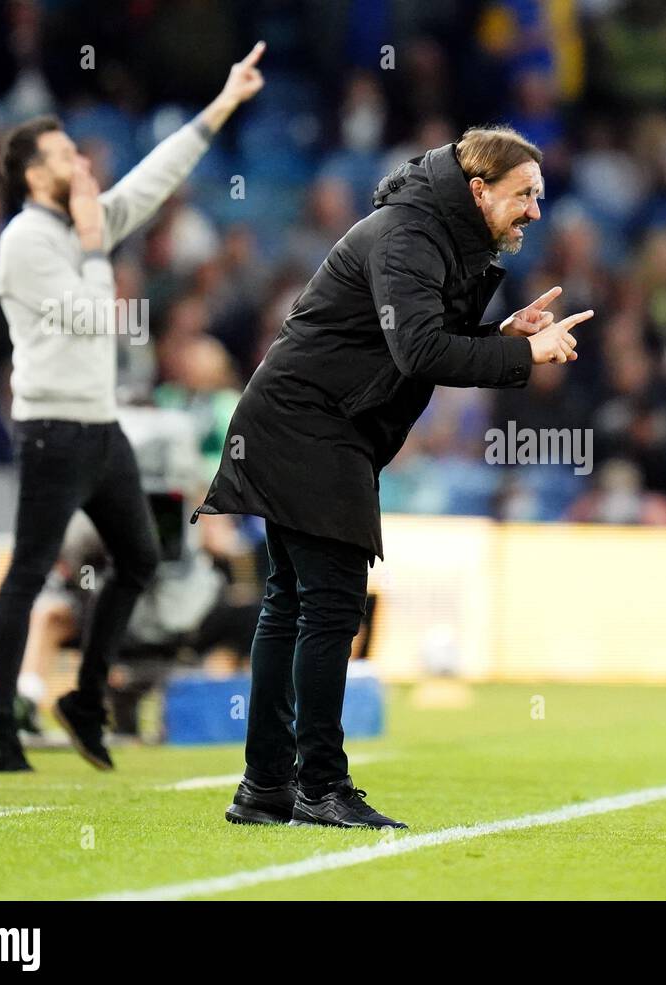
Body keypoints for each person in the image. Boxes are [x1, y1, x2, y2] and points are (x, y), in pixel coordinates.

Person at [195, 126, 593, 829]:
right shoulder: (410, 236)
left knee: (291, 603)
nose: (536, 211)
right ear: (478, 191)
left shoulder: (429, 230)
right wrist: (524, 354)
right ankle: (318, 785)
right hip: (307, 427)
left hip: (300, 422)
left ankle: (265, 787)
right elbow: (419, 351)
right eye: (524, 195)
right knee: (329, 606)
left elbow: (415, 340)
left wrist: (502, 339)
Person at [0, 43, 267, 773]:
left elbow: (152, 180)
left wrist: (223, 104)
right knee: (29, 570)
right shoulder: (25, 240)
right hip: (51, 426)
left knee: (141, 555)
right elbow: (93, 315)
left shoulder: (79, 225)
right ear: (32, 173)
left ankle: (83, 697)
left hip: (98, 425)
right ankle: (1, 728)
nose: (79, 160)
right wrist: (92, 240)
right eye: (63, 153)